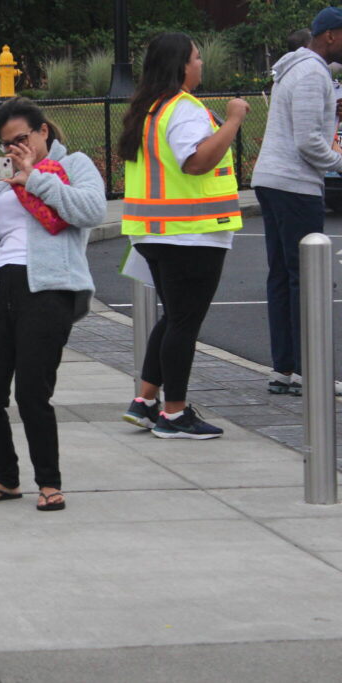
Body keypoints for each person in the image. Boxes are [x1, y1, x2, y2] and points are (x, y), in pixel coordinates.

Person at [0, 97, 105, 511]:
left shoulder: (73, 165)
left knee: (31, 392)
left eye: (21, 139)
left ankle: (49, 482)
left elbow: (91, 210)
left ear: (43, 132)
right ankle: (6, 478)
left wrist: (34, 178)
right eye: (7, 145)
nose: (14, 150)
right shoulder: (1, 181)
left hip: (47, 288)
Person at [118, 33, 250, 439]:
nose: (201, 63)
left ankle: (145, 400)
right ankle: (174, 414)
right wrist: (232, 120)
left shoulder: (149, 108)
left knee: (175, 318)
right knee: (184, 324)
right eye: (196, 57)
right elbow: (195, 162)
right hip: (190, 234)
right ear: (181, 66)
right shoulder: (184, 110)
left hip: (154, 231)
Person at [253, 7, 342, 398]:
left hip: (273, 181)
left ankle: (284, 370)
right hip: (294, 185)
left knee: (284, 277)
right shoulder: (310, 74)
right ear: (330, 37)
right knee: (304, 278)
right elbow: (308, 141)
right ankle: (310, 372)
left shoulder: (297, 68)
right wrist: (339, 162)